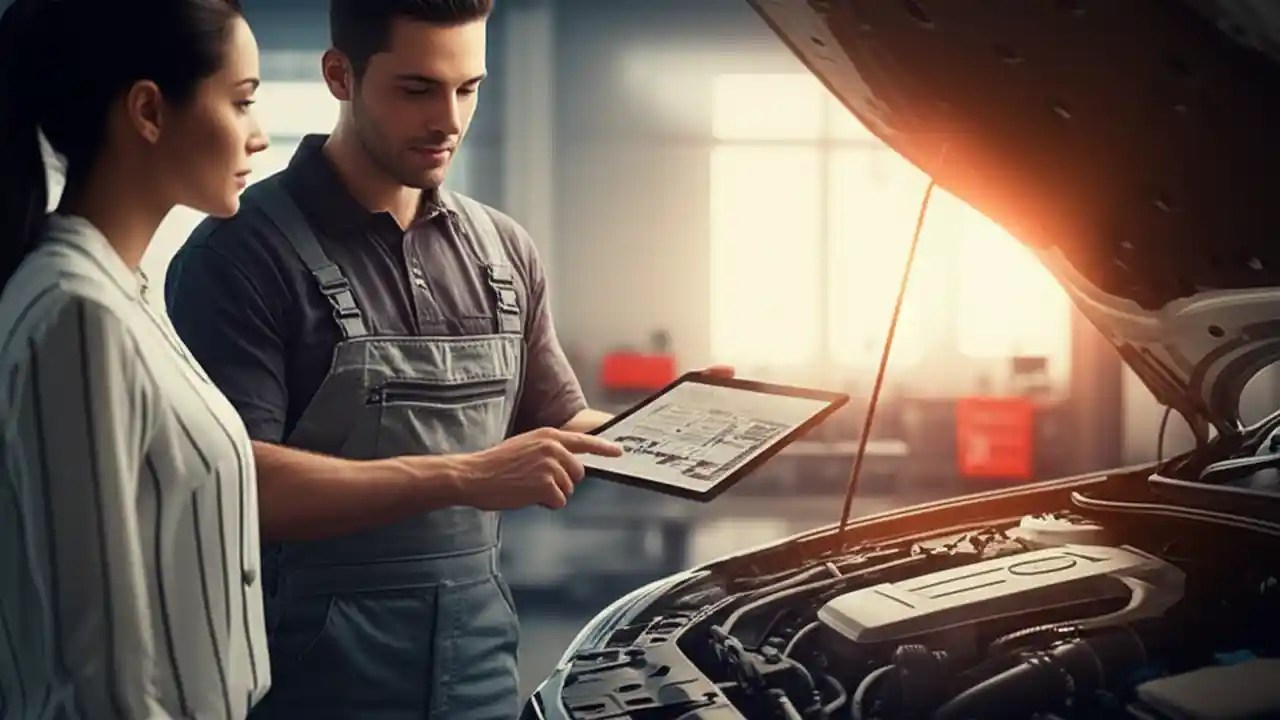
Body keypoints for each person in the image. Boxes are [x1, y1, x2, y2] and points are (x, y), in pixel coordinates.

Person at [163, 0, 651, 717]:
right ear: (340, 75)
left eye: (469, 89)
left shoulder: (504, 251)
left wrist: (682, 435)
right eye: (417, 89)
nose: (449, 120)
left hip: (479, 669)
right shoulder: (239, 255)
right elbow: (240, 486)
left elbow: (565, 424)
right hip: (302, 678)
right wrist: (462, 474)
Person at [0, 0, 273, 717]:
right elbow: (97, 680)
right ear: (149, 111)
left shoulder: (124, 291)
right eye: (241, 102)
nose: (259, 137)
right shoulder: (79, 315)